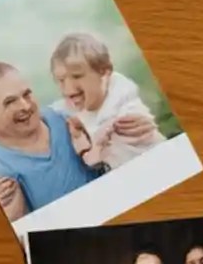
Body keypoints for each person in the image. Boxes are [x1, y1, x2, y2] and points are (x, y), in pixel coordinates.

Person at [0, 61, 98, 221]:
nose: (25, 105)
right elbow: (24, 226)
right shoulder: (3, 170)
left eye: (26, 94)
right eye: (10, 102)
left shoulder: (63, 117)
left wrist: (93, 143)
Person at [49, 32, 166, 171]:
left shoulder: (128, 112)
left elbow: (104, 160)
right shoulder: (70, 109)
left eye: (77, 76)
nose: (68, 89)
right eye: (61, 80)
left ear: (104, 72)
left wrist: (89, 144)